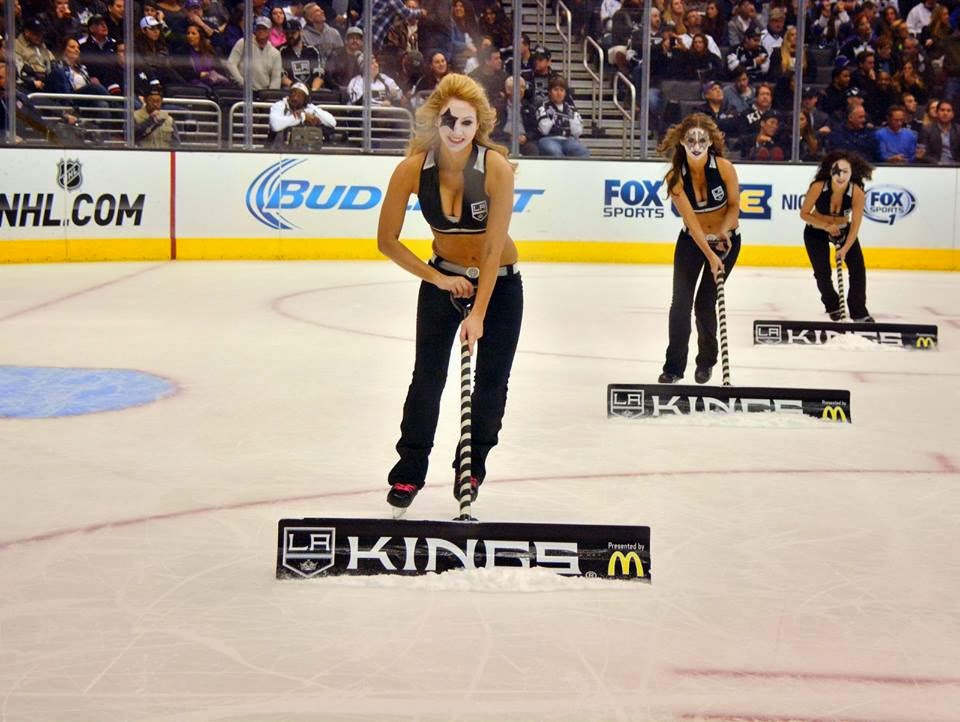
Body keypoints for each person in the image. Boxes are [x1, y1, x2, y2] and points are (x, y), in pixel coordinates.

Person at [376, 73, 522, 511]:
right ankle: (408, 473)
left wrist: (478, 312)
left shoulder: (494, 168)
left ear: (480, 126)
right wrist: (437, 278)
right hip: (443, 277)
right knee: (427, 377)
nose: (457, 131)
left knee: (491, 384)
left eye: (466, 123)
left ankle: (471, 466)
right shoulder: (412, 170)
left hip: (500, 284)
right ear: (435, 122)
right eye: (448, 121)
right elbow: (387, 241)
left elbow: (494, 249)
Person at [657, 113, 741, 385]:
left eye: (701, 139)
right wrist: (710, 253)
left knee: (705, 303)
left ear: (710, 141)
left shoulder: (725, 168)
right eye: (690, 140)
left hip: (727, 240)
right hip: (693, 242)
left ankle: (706, 363)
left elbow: (733, 206)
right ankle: (673, 368)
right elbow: (692, 225)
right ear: (681, 142)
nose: (696, 145)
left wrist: (724, 233)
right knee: (680, 304)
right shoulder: (675, 178)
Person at [798, 150, 874, 323]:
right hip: (815, 230)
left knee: (857, 269)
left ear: (852, 172)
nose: (840, 176)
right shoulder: (818, 186)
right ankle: (833, 306)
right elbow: (804, 214)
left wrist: (845, 249)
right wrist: (825, 226)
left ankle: (859, 312)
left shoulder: (857, 193)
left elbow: (855, 225)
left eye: (845, 171)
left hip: (844, 230)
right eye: (836, 170)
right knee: (822, 272)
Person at [267, 80, 336, 147]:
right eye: (293, 94)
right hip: (276, 151)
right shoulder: (279, 105)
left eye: (299, 96)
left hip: (303, 150)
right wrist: (302, 117)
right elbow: (275, 126)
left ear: (306, 99)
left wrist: (311, 108)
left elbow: (332, 122)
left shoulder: (308, 108)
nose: (295, 98)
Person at [535, 75, 589, 157]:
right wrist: (552, 116)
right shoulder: (543, 107)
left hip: (568, 140)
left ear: (565, 93)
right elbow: (544, 130)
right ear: (550, 92)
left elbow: (577, 132)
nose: (559, 93)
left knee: (583, 152)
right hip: (549, 139)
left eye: (562, 90)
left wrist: (571, 119)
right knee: (555, 152)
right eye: (555, 90)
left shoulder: (571, 109)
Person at [133, 82, 181, 147]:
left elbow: (176, 143)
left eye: (158, 101)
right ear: (145, 100)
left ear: (162, 101)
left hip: (164, 155)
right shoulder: (135, 116)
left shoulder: (168, 119)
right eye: (151, 101)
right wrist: (149, 121)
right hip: (143, 155)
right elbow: (132, 137)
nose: (155, 104)